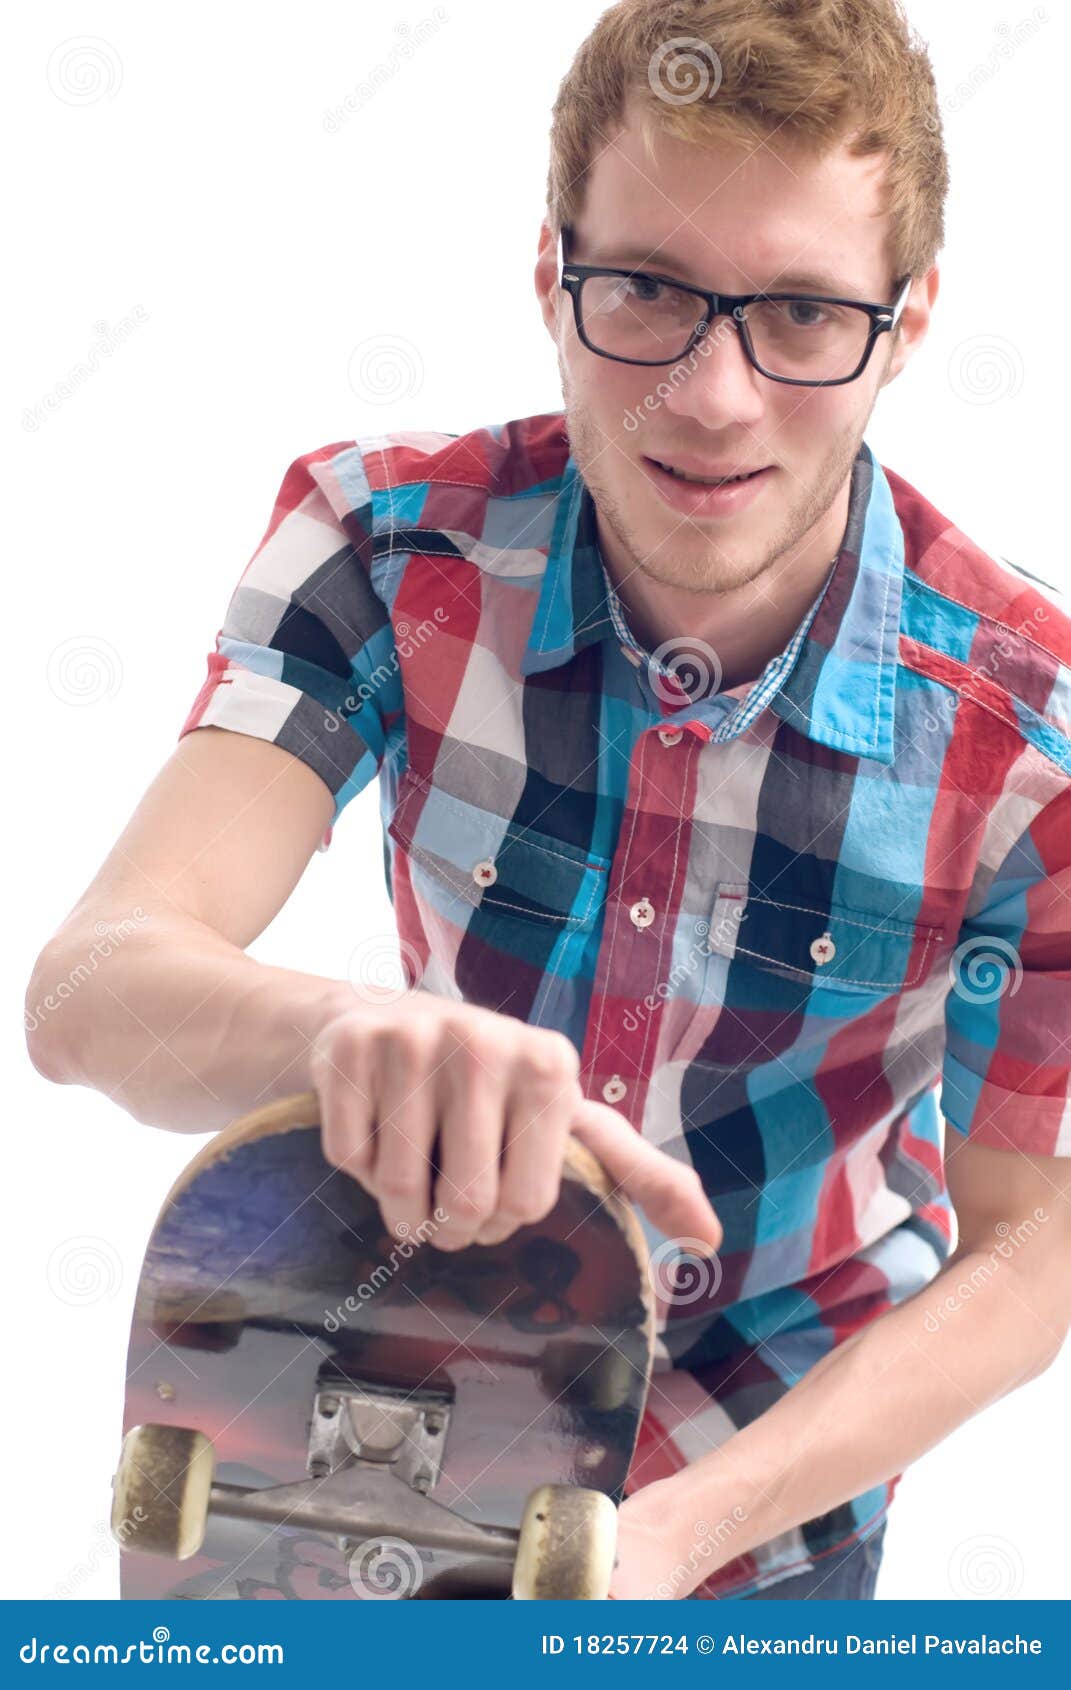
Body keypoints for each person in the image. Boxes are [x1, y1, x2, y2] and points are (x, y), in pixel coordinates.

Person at [26, 0, 1071, 1601]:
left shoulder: (1035, 735)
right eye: (646, 288)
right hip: (387, 1430)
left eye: (801, 314)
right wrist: (340, 1033)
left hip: (771, 1499)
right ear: (550, 277)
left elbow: (1029, 1243)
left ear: (911, 319)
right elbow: (91, 991)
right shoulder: (380, 546)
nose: (715, 398)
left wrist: (676, 1531)